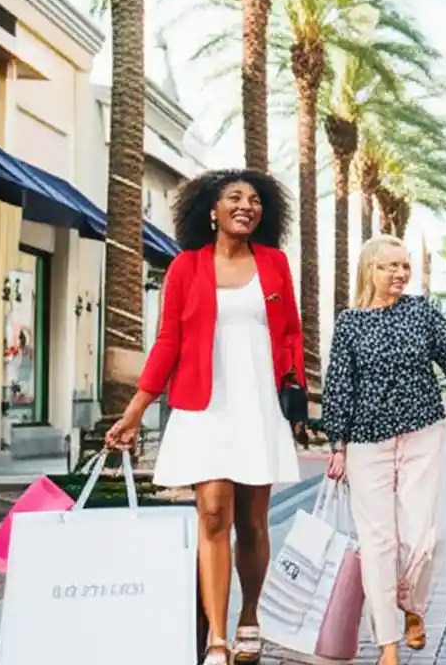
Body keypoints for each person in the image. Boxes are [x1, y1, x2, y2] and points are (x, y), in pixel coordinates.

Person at [105, 168, 304, 665]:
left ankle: (249, 616)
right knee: (213, 513)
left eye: (254, 199)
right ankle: (216, 636)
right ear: (211, 211)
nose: (246, 206)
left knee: (253, 522)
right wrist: (135, 410)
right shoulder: (185, 268)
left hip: (257, 406)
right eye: (234, 197)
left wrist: (296, 398)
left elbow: (290, 335)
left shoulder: (274, 264)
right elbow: (167, 341)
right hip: (204, 407)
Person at [322, 235, 446, 665]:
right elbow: (339, 385)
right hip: (366, 440)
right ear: (370, 270)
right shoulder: (350, 323)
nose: (400, 273)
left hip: (421, 431)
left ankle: (410, 601)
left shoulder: (421, 311)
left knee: (421, 536)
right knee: (378, 541)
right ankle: (388, 644)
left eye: (404, 265)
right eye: (390, 266)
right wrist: (337, 445)